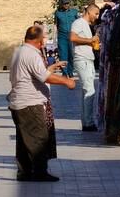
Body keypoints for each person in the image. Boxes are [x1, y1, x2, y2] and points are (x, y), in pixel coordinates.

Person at [8, 23, 76, 182]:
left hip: (19, 101)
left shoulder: (19, 51)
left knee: (24, 140)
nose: (44, 43)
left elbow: (37, 73)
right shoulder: (31, 54)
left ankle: (24, 172)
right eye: (43, 39)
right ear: (38, 40)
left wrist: (52, 68)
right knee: (39, 138)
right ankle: (39, 172)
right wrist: (67, 82)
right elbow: (45, 77)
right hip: (30, 102)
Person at [70, 2, 100, 131]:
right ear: (89, 12)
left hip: (87, 59)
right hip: (82, 59)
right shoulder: (79, 23)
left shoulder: (86, 25)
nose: (97, 16)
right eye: (96, 13)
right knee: (90, 91)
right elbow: (73, 37)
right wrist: (90, 41)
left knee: (86, 91)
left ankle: (86, 122)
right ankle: (89, 122)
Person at [54, 0, 80, 77]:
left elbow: (79, 23)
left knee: (71, 54)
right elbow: (56, 25)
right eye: (65, 3)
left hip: (72, 35)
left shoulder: (74, 12)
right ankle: (64, 73)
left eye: (67, 3)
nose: (66, 5)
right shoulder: (57, 13)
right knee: (63, 55)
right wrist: (55, 36)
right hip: (62, 36)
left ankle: (70, 71)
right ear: (61, 4)